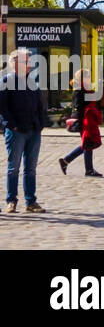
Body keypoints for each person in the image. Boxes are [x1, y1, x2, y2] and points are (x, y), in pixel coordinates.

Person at [0, 49, 47, 213]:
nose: (30, 65)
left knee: (31, 168)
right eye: (26, 61)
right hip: (16, 131)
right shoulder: (6, 80)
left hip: (33, 130)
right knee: (14, 168)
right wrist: (11, 124)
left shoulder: (32, 81)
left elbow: (40, 105)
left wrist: (41, 123)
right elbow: (2, 107)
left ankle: (30, 202)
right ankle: (11, 201)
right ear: (16, 64)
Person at [58, 70, 104, 178]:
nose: (89, 78)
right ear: (81, 78)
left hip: (89, 121)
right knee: (88, 143)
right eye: (87, 76)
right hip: (85, 121)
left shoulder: (86, 89)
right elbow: (78, 107)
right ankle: (71, 162)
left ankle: (84, 167)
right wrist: (81, 122)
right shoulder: (79, 91)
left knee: (88, 144)